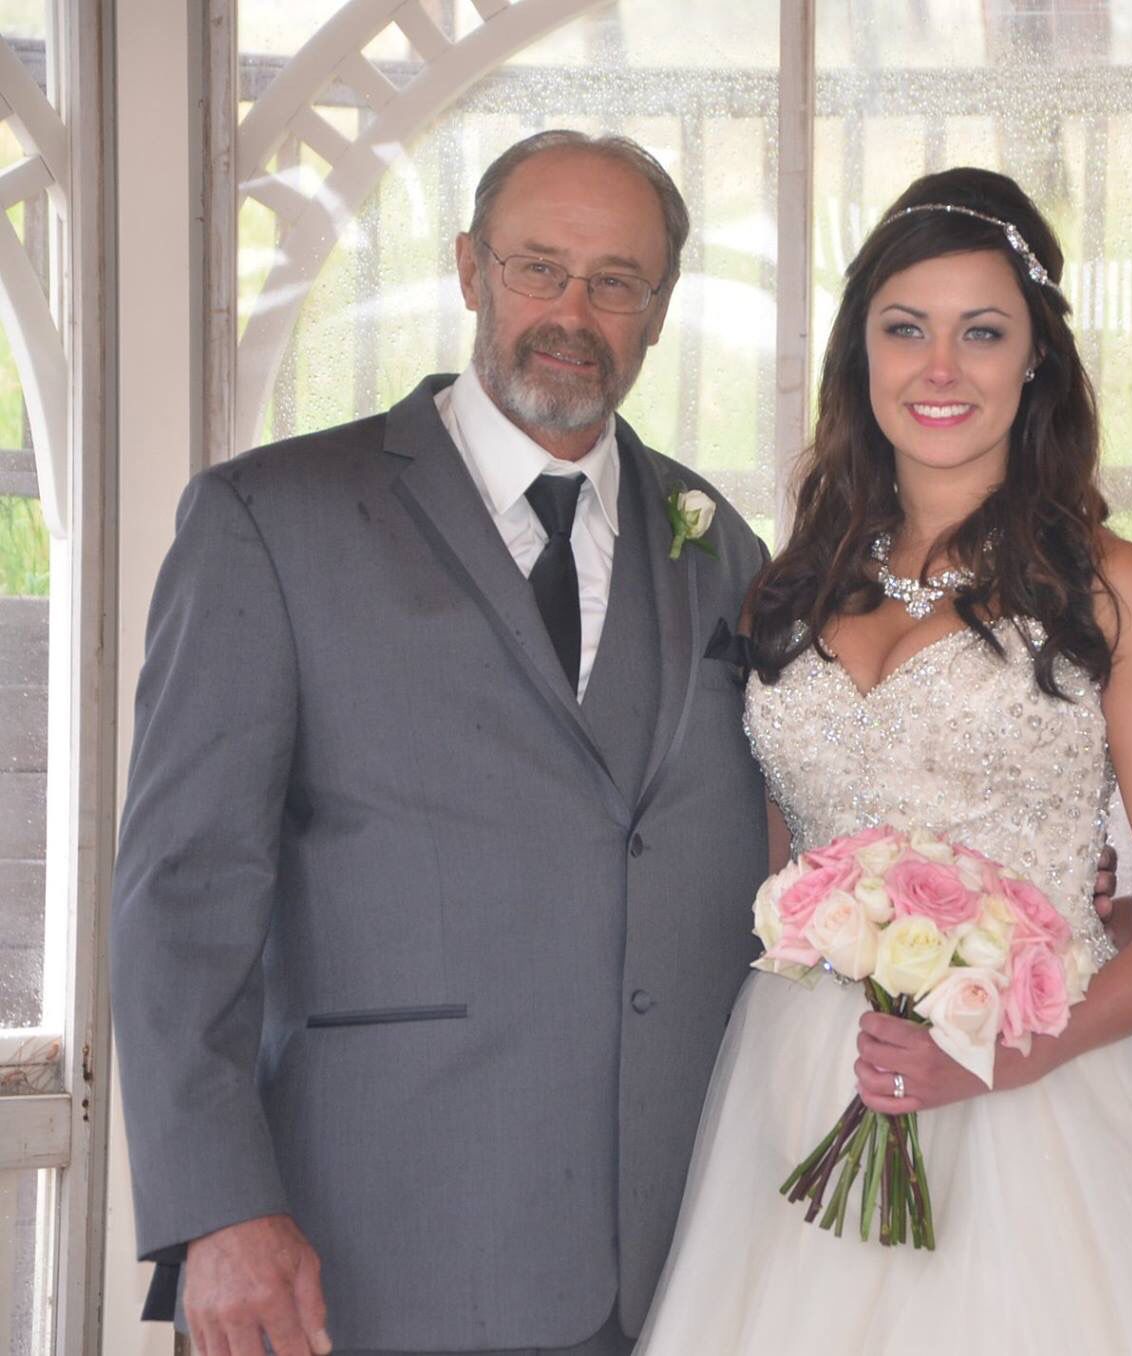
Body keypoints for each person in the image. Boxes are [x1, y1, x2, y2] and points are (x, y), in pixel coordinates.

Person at [111, 131, 774, 1356]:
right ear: (468, 269)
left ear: (659, 310)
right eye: (537, 267)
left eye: (616, 281)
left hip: (682, 1253)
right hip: (370, 1241)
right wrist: (218, 1208)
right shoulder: (271, 518)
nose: (572, 313)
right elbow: (183, 887)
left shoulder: (719, 546)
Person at [632, 168, 1132, 1354]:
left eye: (981, 333)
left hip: (1041, 1099)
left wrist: (1003, 1061)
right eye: (906, 330)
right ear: (862, 357)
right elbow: (770, 875)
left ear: (1034, 358)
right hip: (797, 1086)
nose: (939, 369)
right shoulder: (784, 589)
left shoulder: (1115, 590)